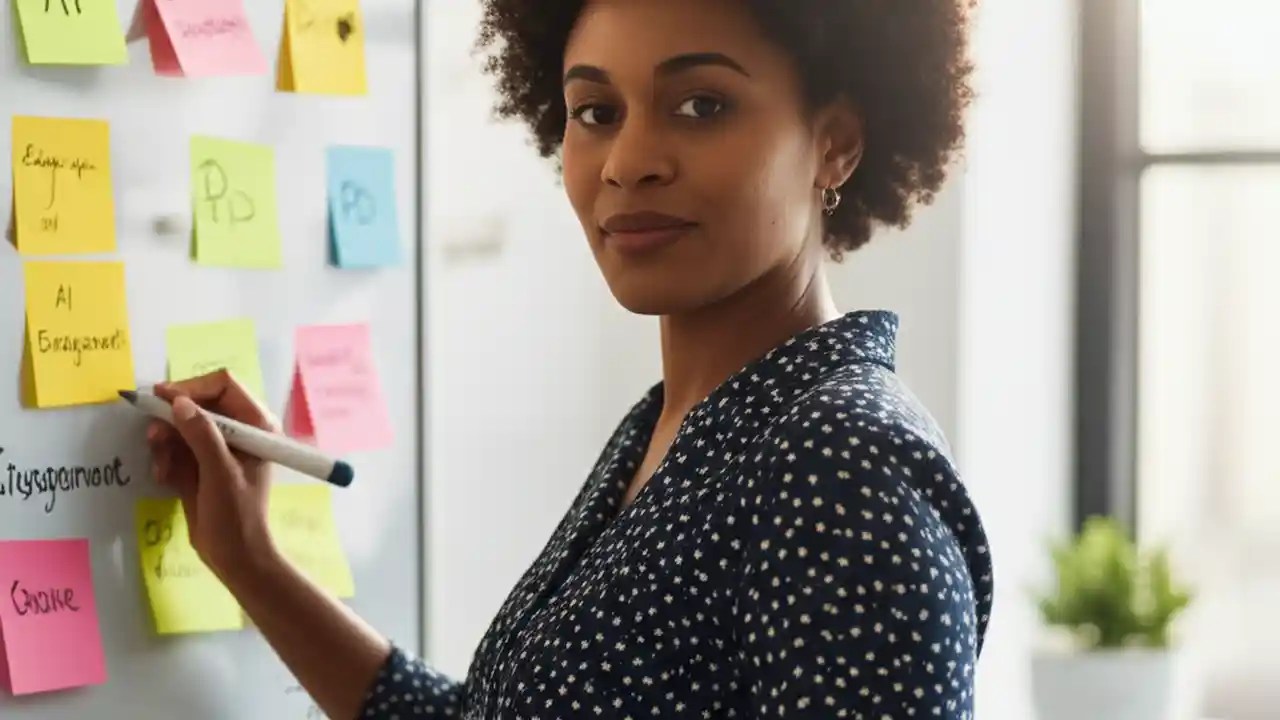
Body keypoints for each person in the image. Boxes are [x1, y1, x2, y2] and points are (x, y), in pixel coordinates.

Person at [146, 0, 993, 717]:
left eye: (702, 106)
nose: (628, 165)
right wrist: (250, 558)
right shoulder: (671, 428)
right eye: (596, 112)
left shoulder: (841, 468)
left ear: (836, 143)